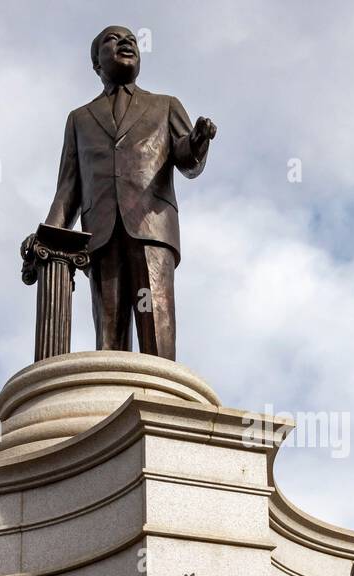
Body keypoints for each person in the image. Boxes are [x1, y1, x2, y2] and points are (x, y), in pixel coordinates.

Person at [42, 24, 216, 360]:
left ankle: (160, 400)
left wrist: (198, 139)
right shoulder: (79, 119)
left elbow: (187, 160)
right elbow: (68, 188)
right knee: (109, 338)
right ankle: (112, 402)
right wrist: (48, 236)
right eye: (113, 39)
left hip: (151, 227)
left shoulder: (164, 105)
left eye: (132, 40)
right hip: (100, 233)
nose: (125, 42)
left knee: (156, 332)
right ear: (96, 63)